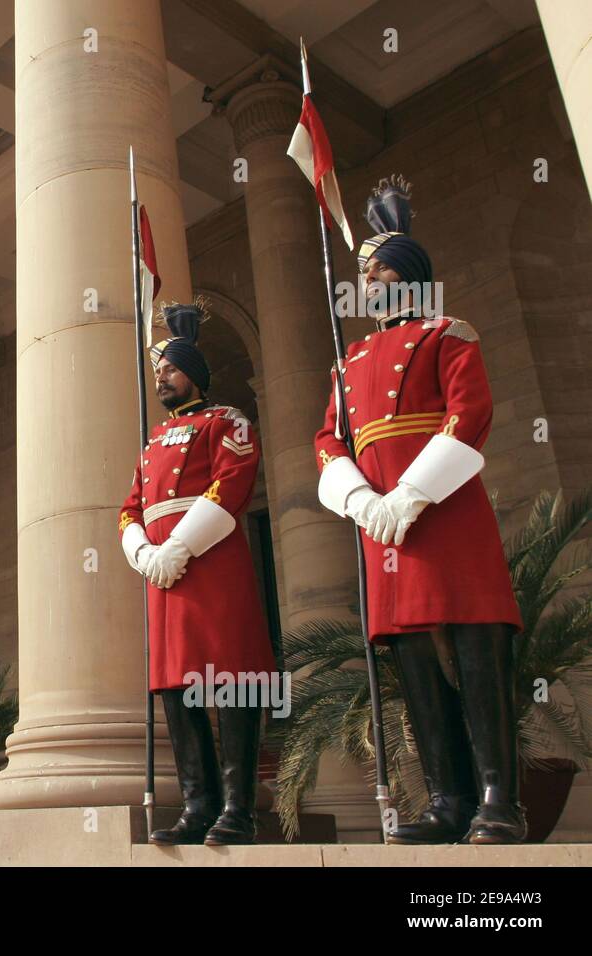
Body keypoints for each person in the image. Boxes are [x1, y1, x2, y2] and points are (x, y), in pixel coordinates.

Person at [315, 175, 525, 844]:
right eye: (364, 271)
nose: (368, 281)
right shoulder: (347, 363)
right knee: (411, 659)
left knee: (475, 645)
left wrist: (411, 494)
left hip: (445, 510)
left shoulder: (447, 332)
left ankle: (499, 798)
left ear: (408, 275)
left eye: (377, 269)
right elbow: (329, 441)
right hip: (381, 523)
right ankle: (447, 799)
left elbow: (470, 414)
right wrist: (361, 500)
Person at [118, 301, 277, 845]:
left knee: (230, 678)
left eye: (171, 368)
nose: (162, 377)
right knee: (174, 686)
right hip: (162, 573)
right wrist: (143, 553)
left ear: (195, 374)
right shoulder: (152, 443)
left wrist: (180, 547)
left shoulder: (226, 421)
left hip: (209, 561)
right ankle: (197, 804)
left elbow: (231, 486)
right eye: (159, 370)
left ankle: (238, 808)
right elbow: (130, 508)